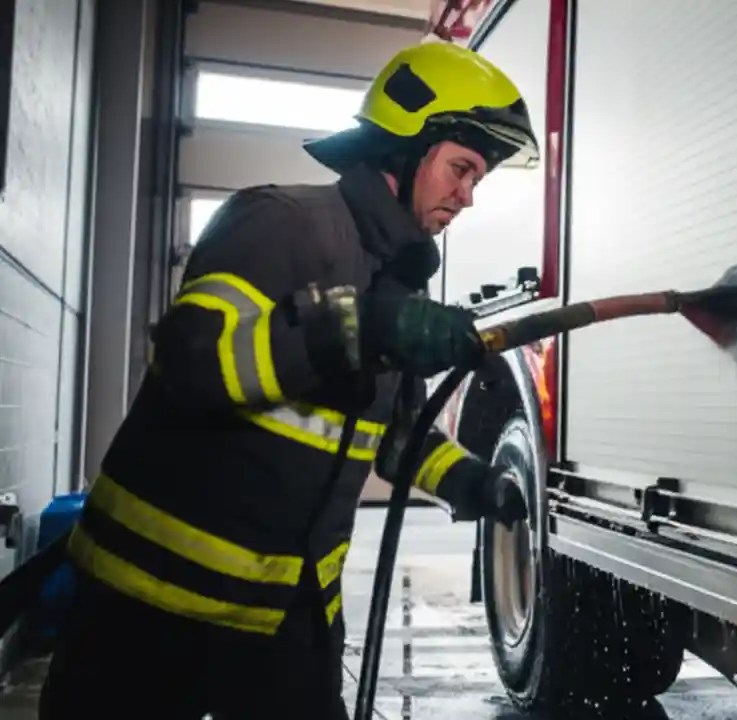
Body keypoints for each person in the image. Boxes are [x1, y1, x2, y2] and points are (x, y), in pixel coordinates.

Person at [38, 40, 536, 719]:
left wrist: (468, 480)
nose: (467, 197)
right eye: (461, 168)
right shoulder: (280, 223)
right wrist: (363, 326)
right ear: (404, 147)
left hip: (287, 623)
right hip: (148, 613)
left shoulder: (392, 281)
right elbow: (194, 365)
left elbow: (390, 438)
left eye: (477, 179)